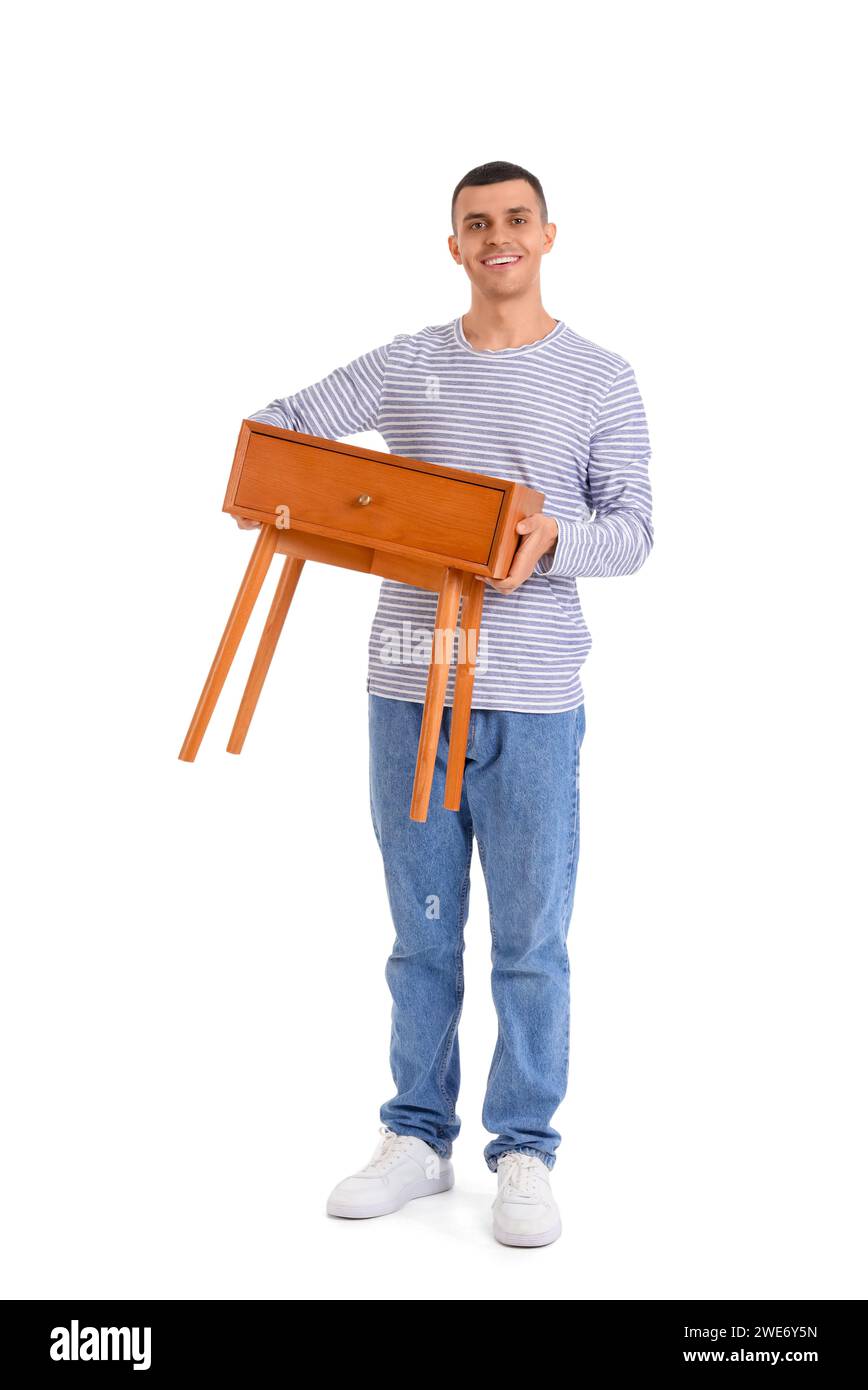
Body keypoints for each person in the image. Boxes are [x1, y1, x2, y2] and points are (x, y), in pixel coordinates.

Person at [244, 160, 654, 1247]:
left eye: (516, 220)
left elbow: (635, 530)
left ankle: (523, 1149)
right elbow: (282, 425)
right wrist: (284, 491)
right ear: (454, 245)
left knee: (530, 938)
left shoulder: (599, 377)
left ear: (548, 235)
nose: (497, 237)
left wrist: (553, 535)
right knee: (419, 934)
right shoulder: (409, 363)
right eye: (477, 223)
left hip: (532, 697)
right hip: (407, 680)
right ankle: (417, 1138)